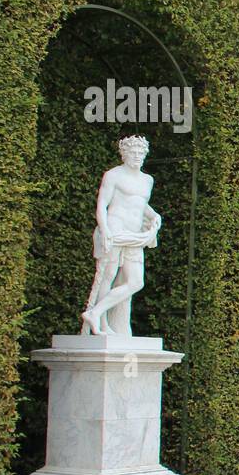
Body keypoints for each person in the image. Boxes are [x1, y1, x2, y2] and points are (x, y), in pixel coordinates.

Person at [80, 135, 162, 336]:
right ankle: (103, 324)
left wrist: (154, 215)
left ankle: (95, 312)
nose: (137, 157)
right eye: (133, 153)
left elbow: (139, 204)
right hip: (116, 229)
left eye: (141, 153)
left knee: (136, 282)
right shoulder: (113, 175)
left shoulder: (147, 180)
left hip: (135, 234)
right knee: (107, 276)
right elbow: (102, 205)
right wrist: (105, 230)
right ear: (124, 154)